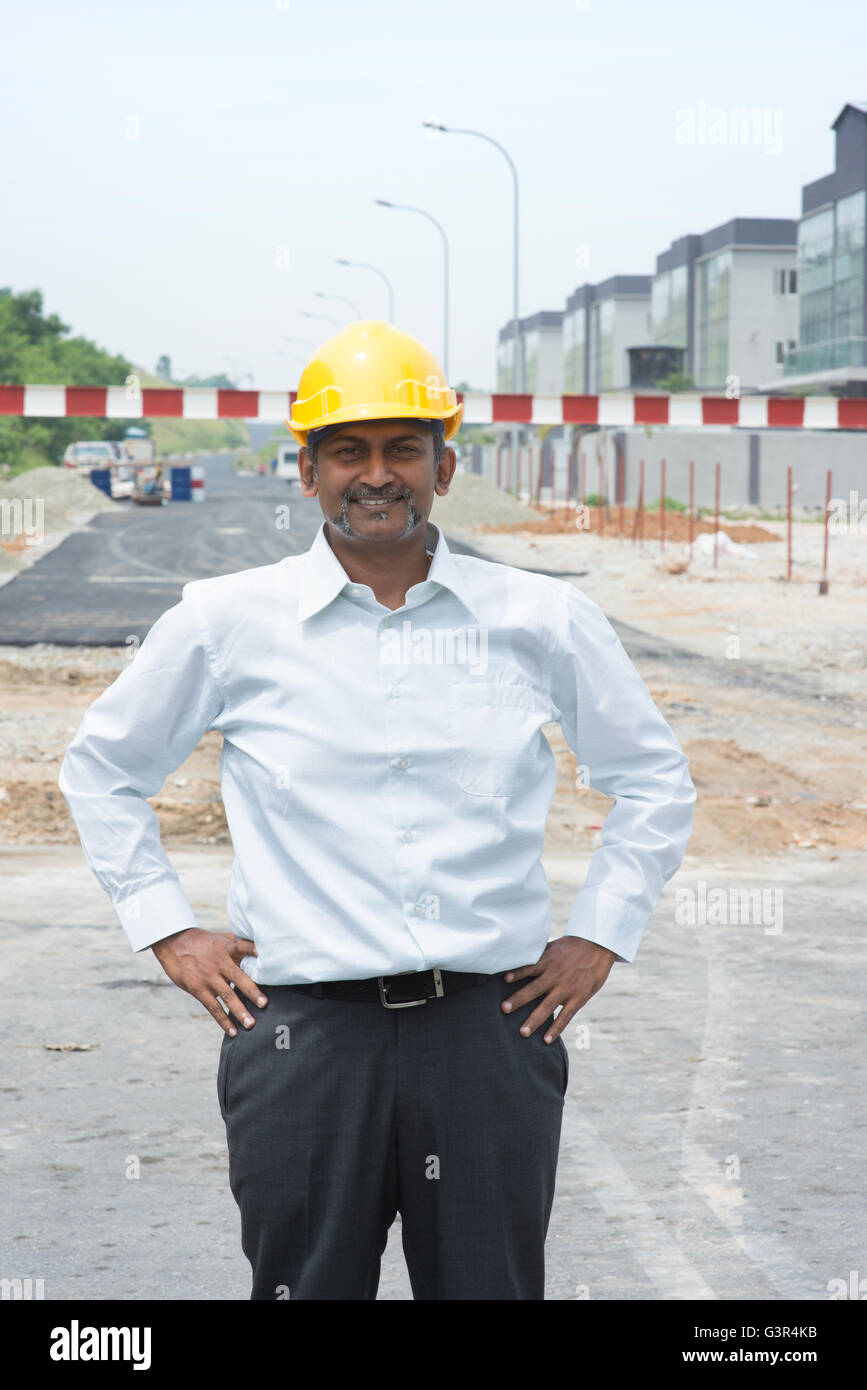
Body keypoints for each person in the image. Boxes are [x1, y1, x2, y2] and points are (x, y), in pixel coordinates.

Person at [59, 320, 695, 1301]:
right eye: (348, 450)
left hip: (490, 1036)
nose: (377, 473)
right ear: (306, 468)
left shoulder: (539, 617)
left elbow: (653, 775)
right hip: (301, 1041)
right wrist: (169, 931)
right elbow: (101, 767)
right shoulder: (226, 622)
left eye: (403, 448)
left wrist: (601, 935)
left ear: (445, 463)